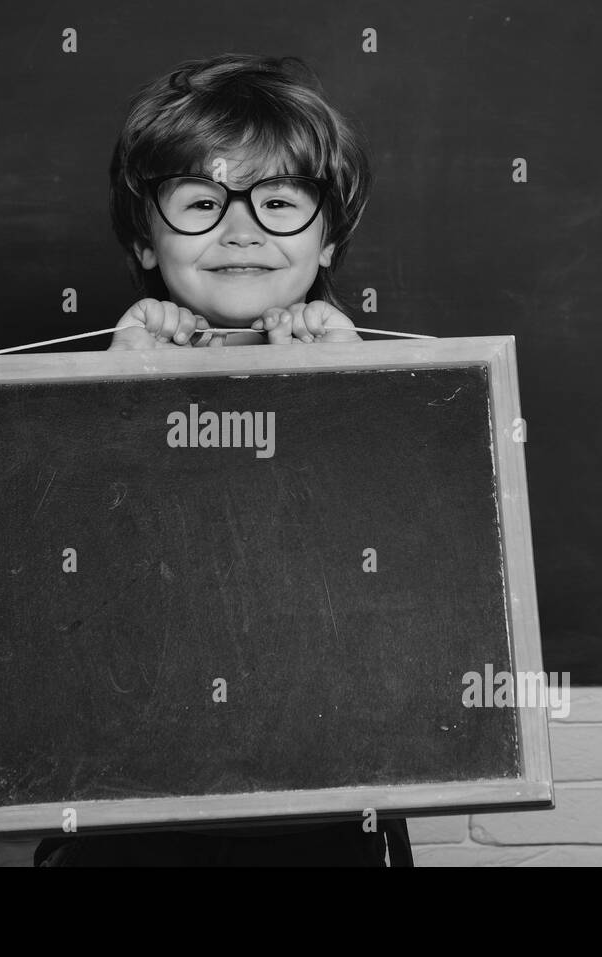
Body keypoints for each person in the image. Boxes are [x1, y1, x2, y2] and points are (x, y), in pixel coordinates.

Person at [35, 52, 411, 866]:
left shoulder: (406, 399)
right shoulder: (81, 396)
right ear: (145, 238)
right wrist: (115, 393)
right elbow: (46, 612)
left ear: (330, 237)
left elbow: (416, 604)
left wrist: (359, 396)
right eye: (203, 202)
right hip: (119, 823)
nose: (241, 229)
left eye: (278, 201)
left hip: (336, 828)